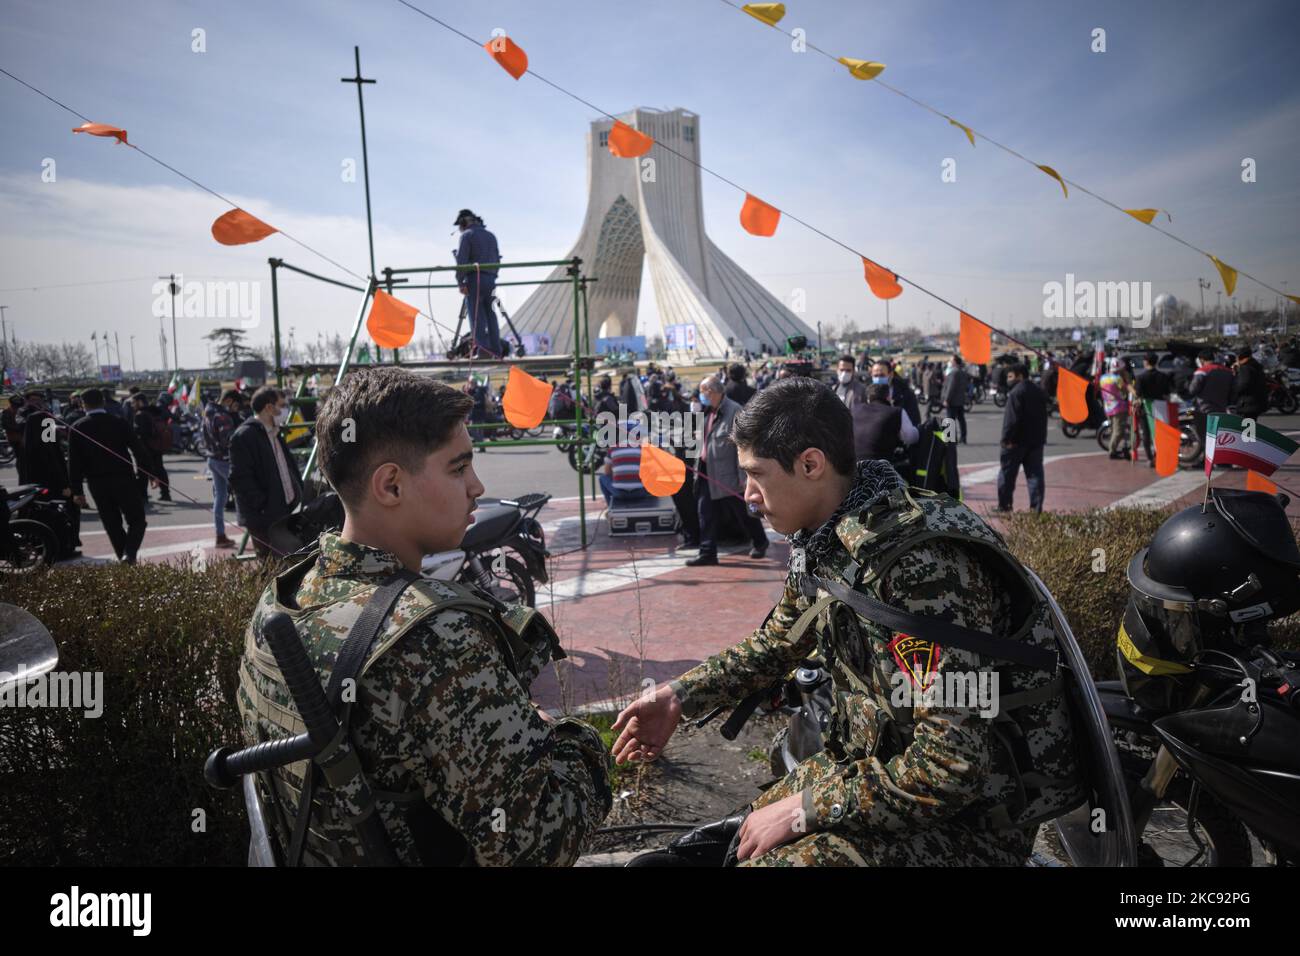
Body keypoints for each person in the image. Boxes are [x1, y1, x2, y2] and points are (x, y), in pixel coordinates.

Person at [611, 377, 1079, 865]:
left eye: (757, 475)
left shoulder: (921, 573)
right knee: (694, 857)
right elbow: (779, 641)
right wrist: (678, 696)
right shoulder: (831, 538)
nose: (747, 494)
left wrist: (804, 810)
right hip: (872, 773)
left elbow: (952, 766)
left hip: (971, 825)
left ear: (811, 464)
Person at [236, 366, 610, 865]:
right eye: (458, 468)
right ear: (390, 486)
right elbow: (543, 842)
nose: (477, 486)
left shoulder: (281, 598)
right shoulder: (435, 636)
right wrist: (569, 736)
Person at [686, 377, 769, 566]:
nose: (700, 396)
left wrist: (743, 476)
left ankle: (760, 541)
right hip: (707, 471)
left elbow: (743, 446)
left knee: (743, 511)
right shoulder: (707, 411)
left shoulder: (734, 411)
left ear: (713, 392)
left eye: (702, 391)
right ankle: (707, 552)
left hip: (728, 474)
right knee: (705, 513)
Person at [68, 388, 148, 564]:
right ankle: (130, 553)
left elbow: (74, 464)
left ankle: (124, 558)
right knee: (137, 520)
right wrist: (149, 474)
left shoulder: (78, 427)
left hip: (97, 483)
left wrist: (77, 491)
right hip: (124, 479)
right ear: (103, 402)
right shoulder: (119, 422)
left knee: (112, 524)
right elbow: (138, 450)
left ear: (83, 404)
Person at [229, 385, 303, 558]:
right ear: (269, 408)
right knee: (271, 568)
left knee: (285, 564)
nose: (285, 410)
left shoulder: (274, 433)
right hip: (264, 517)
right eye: (281, 405)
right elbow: (240, 478)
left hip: (282, 511)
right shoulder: (244, 436)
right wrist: (262, 505)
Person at [997, 363, 1047, 512]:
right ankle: (1036, 508)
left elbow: (1011, 420)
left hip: (1015, 442)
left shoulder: (1016, 393)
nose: (1008, 379)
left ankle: (1005, 505)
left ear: (1020, 375)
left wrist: (1006, 440)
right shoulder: (1038, 391)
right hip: (1035, 442)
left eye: (1010, 376)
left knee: (1007, 475)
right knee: (1035, 476)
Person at [453, 208, 502, 358]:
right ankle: (496, 350)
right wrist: (492, 276)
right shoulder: (491, 236)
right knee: (491, 316)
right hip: (491, 279)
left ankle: (483, 351)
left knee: (476, 317)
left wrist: (460, 282)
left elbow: (462, 261)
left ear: (464, 222)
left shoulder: (467, 236)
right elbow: (497, 259)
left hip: (475, 279)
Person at [203, 389, 240, 548]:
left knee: (220, 498)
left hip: (211, 459)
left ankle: (220, 534)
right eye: (236, 405)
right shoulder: (223, 417)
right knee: (242, 492)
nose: (236, 409)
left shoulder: (208, 412)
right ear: (229, 400)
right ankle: (253, 532)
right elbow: (229, 441)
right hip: (224, 460)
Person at [1187, 348, 1232, 462]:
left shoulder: (1202, 371)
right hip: (1222, 408)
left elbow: (1192, 390)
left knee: (1204, 437)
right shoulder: (1226, 371)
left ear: (1201, 360)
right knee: (1219, 436)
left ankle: (1205, 461)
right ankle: (1222, 461)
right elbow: (1233, 390)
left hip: (1203, 409)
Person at [1133, 352, 1173, 468]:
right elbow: (1167, 393)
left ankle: (1150, 458)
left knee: (1146, 433)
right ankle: (1160, 455)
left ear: (1146, 362)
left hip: (1146, 408)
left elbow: (1138, 394)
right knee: (1160, 432)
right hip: (1161, 407)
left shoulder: (1141, 377)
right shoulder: (1163, 376)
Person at [130, 393, 171, 502]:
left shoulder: (140, 415)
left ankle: (143, 496)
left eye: (134, 402)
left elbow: (142, 433)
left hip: (145, 447)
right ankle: (165, 493)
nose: (132, 405)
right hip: (157, 445)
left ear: (140, 402)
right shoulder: (156, 412)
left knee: (142, 472)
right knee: (160, 469)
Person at [1098, 358, 1132, 460]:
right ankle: (1112, 452)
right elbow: (1126, 390)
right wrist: (1127, 379)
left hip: (1108, 407)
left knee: (1113, 430)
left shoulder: (1103, 378)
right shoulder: (1118, 379)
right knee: (1118, 431)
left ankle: (1115, 449)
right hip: (1118, 407)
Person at [940, 356, 971, 444]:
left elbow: (951, 387)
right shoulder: (962, 372)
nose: (949, 362)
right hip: (960, 399)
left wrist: (946, 399)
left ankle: (950, 439)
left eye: (951, 360)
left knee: (950, 419)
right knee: (961, 419)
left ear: (955, 362)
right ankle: (963, 438)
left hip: (952, 400)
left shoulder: (954, 373)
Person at [1231, 349, 1268, 420]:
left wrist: (1234, 391)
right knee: (1250, 426)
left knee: (1247, 428)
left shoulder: (1245, 368)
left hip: (1247, 404)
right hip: (1256, 401)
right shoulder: (1255, 365)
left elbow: (1243, 384)